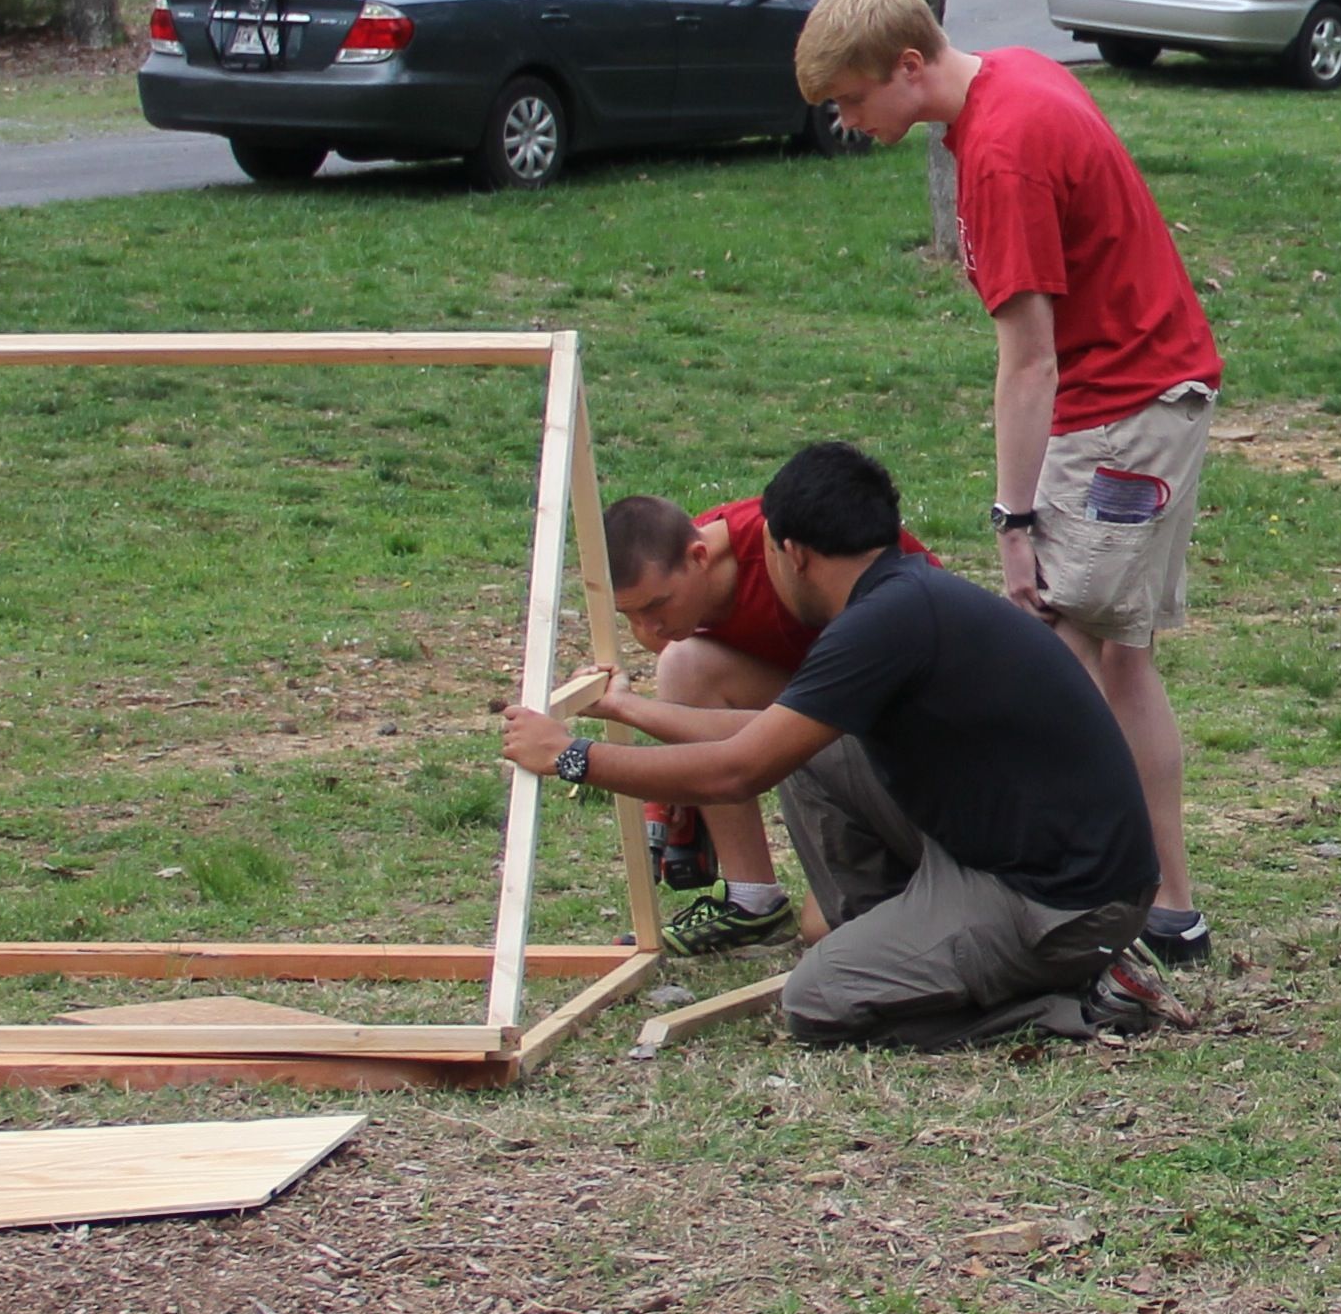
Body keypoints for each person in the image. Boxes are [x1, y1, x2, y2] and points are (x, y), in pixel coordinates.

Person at [793, 0, 1224, 967]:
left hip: (1117, 419)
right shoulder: (1015, 78)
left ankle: (1079, 908)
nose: (849, 123)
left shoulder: (1000, 150)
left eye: (852, 101)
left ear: (908, 65)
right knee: (1118, 659)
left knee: (1049, 660)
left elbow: (1027, 359)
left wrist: (1014, 521)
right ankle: (1161, 905)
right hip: (1149, 398)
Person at [503, 443, 1189, 1048]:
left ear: (794, 552)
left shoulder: (882, 624)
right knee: (811, 750)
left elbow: (739, 770)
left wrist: (572, 757)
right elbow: (765, 735)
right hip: (1028, 859)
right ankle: (900, 940)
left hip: (1064, 904)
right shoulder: (894, 599)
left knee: (819, 999)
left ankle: (1079, 1001)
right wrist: (627, 710)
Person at [601, 492, 937, 958]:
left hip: (908, 714)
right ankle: (750, 897)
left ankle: (932, 870)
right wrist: (672, 790)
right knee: (684, 665)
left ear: (699, 558)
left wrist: (613, 740)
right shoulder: (676, 567)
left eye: (657, 606)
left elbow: (773, 738)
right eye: (631, 616)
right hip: (829, 700)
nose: (647, 630)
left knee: (829, 928)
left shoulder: (792, 552)